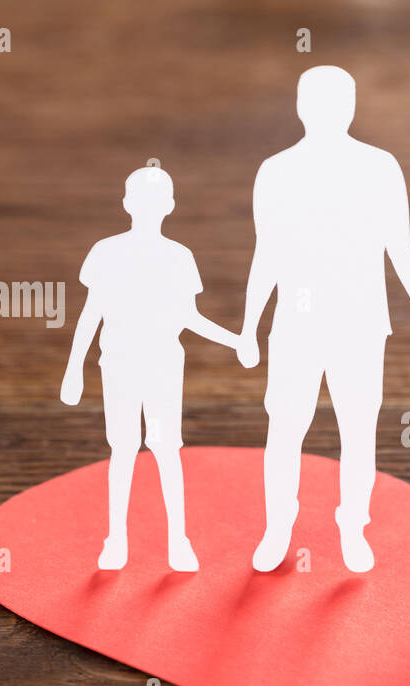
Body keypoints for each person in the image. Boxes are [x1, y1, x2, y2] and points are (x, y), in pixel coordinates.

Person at [236, 65, 410, 573]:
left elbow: (400, 248)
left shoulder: (379, 167)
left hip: (358, 321)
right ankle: (278, 528)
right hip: (298, 324)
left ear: (350, 108)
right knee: (286, 426)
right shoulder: (277, 171)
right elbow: (267, 253)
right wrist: (249, 326)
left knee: (356, 428)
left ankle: (353, 526)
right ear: (303, 108)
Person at [60, 166, 245, 572]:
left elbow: (189, 317)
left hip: (162, 365)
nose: (147, 206)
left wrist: (235, 340)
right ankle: (115, 539)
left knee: (165, 449)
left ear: (170, 206)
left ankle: (178, 539)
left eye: (156, 199)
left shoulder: (179, 257)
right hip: (119, 365)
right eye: (140, 198)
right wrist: (74, 368)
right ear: (126, 203)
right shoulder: (106, 253)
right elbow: (92, 314)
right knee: (123, 449)